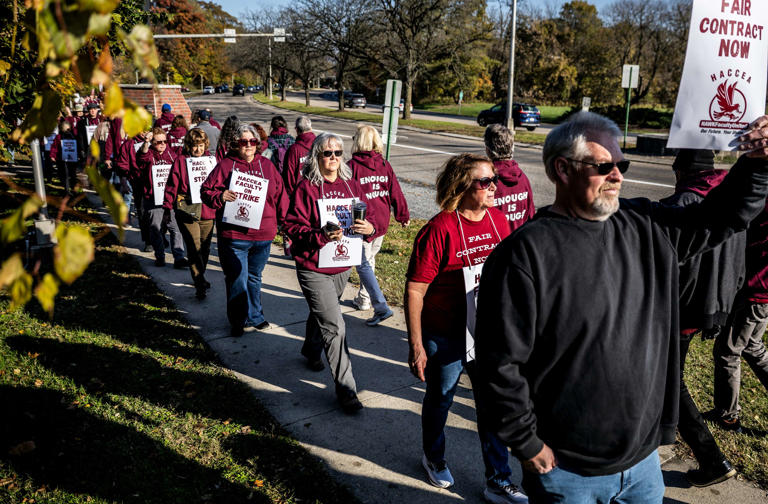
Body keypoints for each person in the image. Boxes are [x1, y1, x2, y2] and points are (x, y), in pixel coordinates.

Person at [473, 111, 768, 503]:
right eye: (604, 166)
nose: (618, 175)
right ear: (562, 169)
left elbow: (722, 216)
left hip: (644, 466)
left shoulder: (644, 224)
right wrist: (527, 445)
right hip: (568, 472)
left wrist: (758, 162)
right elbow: (498, 366)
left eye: (621, 165)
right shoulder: (523, 256)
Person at [405, 153, 525, 503]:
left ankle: (498, 479)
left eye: (494, 180)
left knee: (491, 406)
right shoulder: (439, 228)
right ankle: (434, 456)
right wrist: (416, 344)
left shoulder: (499, 221)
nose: (494, 187)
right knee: (441, 399)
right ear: (463, 186)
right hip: (446, 335)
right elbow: (415, 288)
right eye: (485, 182)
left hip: (486, 333)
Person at [659, 149, 742, 487]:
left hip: (680, 307)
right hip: (714, 304)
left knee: (670, 383)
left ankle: (713, 460)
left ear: (683, 170)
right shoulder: (729, 198)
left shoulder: (680, 203)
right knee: (667, 379)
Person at [283, 132, 376, 414]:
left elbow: (366, 219)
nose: (333, 157)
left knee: (323, 312)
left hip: (341, 264)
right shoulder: (306, 188)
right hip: (313, 266)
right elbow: (292, 226)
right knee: (335, 326)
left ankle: (311, 349)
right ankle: (346, 389)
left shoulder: (351, 185)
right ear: (316, 156)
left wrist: (369, 229)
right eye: (327, 153)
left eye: (337, 152)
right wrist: (319, 234)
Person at [201, 125, 289, 335]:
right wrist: (220, 196)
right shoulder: (226, 165)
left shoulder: (267, 165)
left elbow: (281, 196)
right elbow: (206, 190)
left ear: (257, 144)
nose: (248, 146)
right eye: (243, 142)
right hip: (235, 235)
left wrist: (286, 225)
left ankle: (256, 316)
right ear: (236, 144)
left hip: (263, 235)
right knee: (237, 279)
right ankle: (238, 321)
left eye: (252, 141)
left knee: (254, 277)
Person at [711, 198, 768, 433]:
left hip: (755, 290)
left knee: (728, 351)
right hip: (762, 292)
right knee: (753, 346)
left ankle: (728, 416)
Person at [349, 125, 409, 326]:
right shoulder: (384, 164)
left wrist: (402, 214)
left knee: (364, 263)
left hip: (364, 223)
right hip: (382, 220)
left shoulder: (352, 167)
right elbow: (396, 193)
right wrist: (402, 215)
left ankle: (376, 304)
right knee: (369, 259)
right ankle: (364, 299)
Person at [163, 128, 217, 300]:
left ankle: (200, 275)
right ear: (188, 145)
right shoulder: (181, 161)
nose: (198, 150)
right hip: (187, 208)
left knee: (205, 247)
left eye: (201, 146)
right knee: (194, 247)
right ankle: (199, 282)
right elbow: (172, 185)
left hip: (207, 209)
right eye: (194, 146)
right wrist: (167, 207)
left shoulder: (211, 160)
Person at [136, 127, 187, 268]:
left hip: (170, 198)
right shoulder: (148, 155)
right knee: (156, 229)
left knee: (175, 228)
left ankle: (179, 257)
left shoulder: (171, 155)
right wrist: (145, 142)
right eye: (159, 142)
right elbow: (141, 157)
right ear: (152, 143)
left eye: (165, 141)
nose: (163, 144)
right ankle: (160, 256)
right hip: (152, 199)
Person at [484, 124, 535, 230]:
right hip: (519, 241)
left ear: (488, 150)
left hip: (497, 244)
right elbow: (531, 217)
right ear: (511, 147)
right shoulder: (523, 179)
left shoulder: (485, 182)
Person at [283, 116, 316, 196]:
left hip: (299, 194)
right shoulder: (319, 145)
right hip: (317, 192)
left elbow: (289, 175)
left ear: (297, 130)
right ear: (311, 128)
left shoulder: (293, 149)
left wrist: (291, 195)